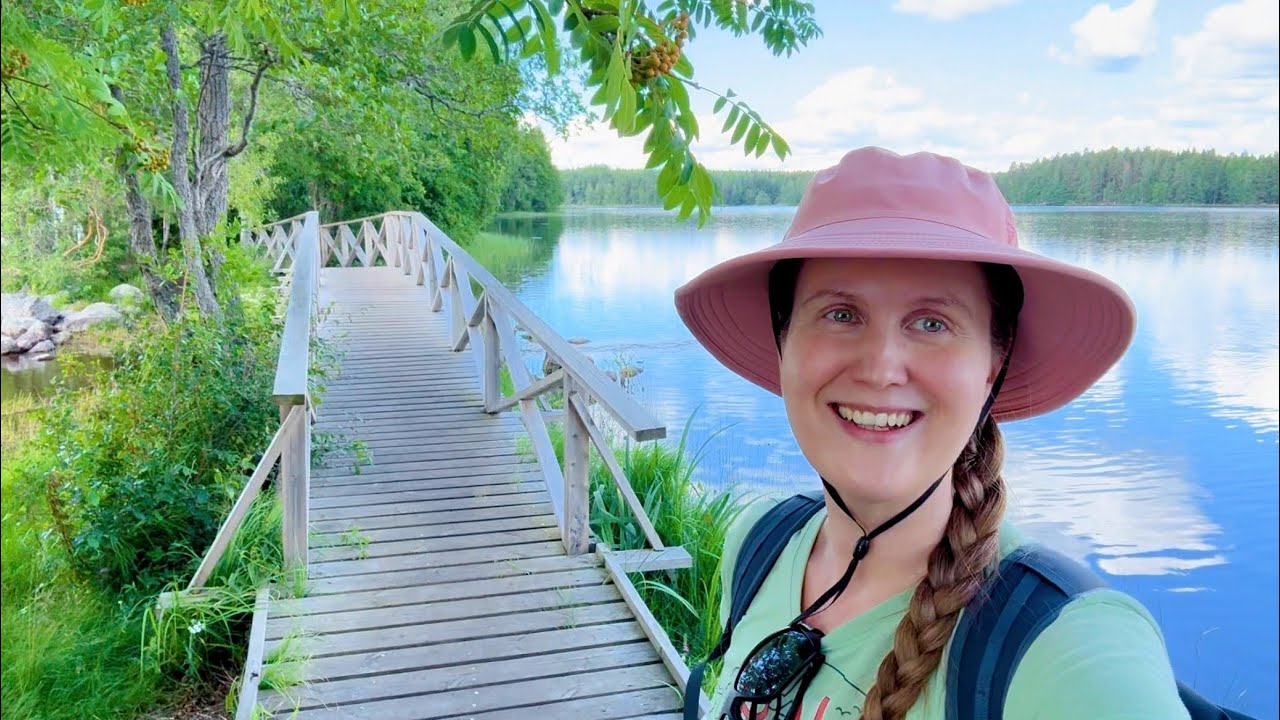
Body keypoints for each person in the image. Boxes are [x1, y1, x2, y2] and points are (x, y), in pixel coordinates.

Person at [672, 147, 1193, 719]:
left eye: (932, 323)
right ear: (784, 342)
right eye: (841, 314)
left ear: (992, 366)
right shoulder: (758, 542)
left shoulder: (1063, 646)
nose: (880, 367)